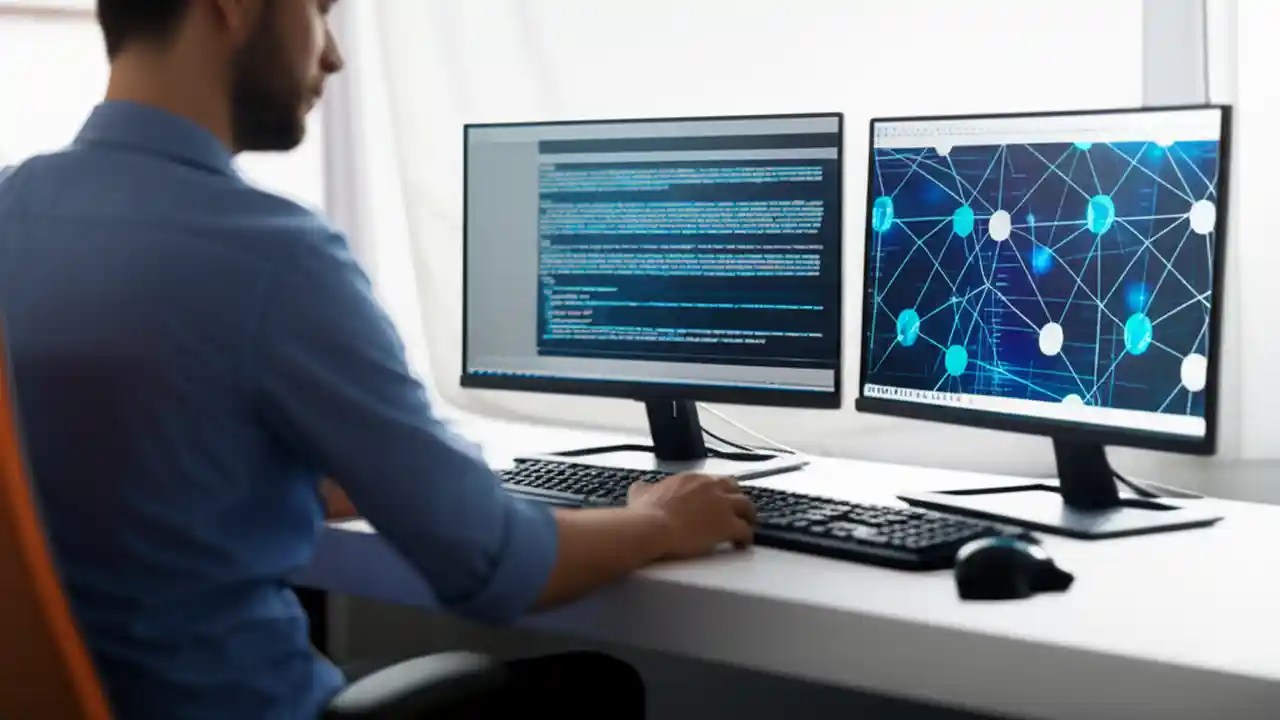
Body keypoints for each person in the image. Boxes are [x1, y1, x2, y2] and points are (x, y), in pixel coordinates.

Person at [0, 1, 757, 718]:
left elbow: (103, 477)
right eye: (319, 12)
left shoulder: (12, 208)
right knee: (593, 689)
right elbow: (496, 566)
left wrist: (293, 481)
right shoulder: (274, 253)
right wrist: (656, 520)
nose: (331, 55)